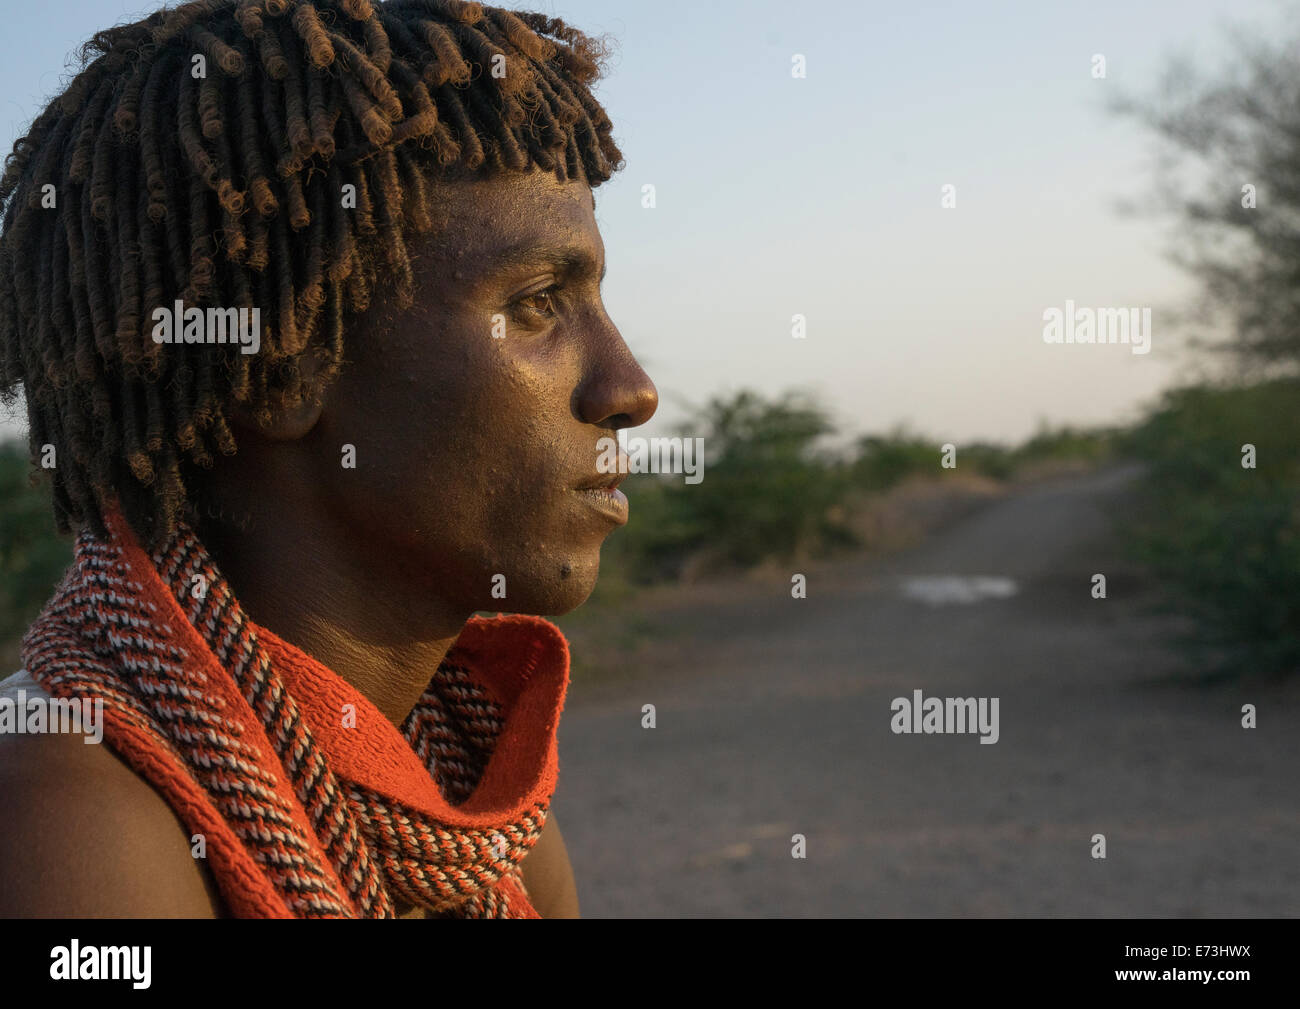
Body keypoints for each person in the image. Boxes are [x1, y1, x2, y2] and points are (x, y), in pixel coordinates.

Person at [0, 0, 656, 918]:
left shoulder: (468, 802)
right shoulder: (68, 819)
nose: (629, 388)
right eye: (540, 301)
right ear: (286, 370)